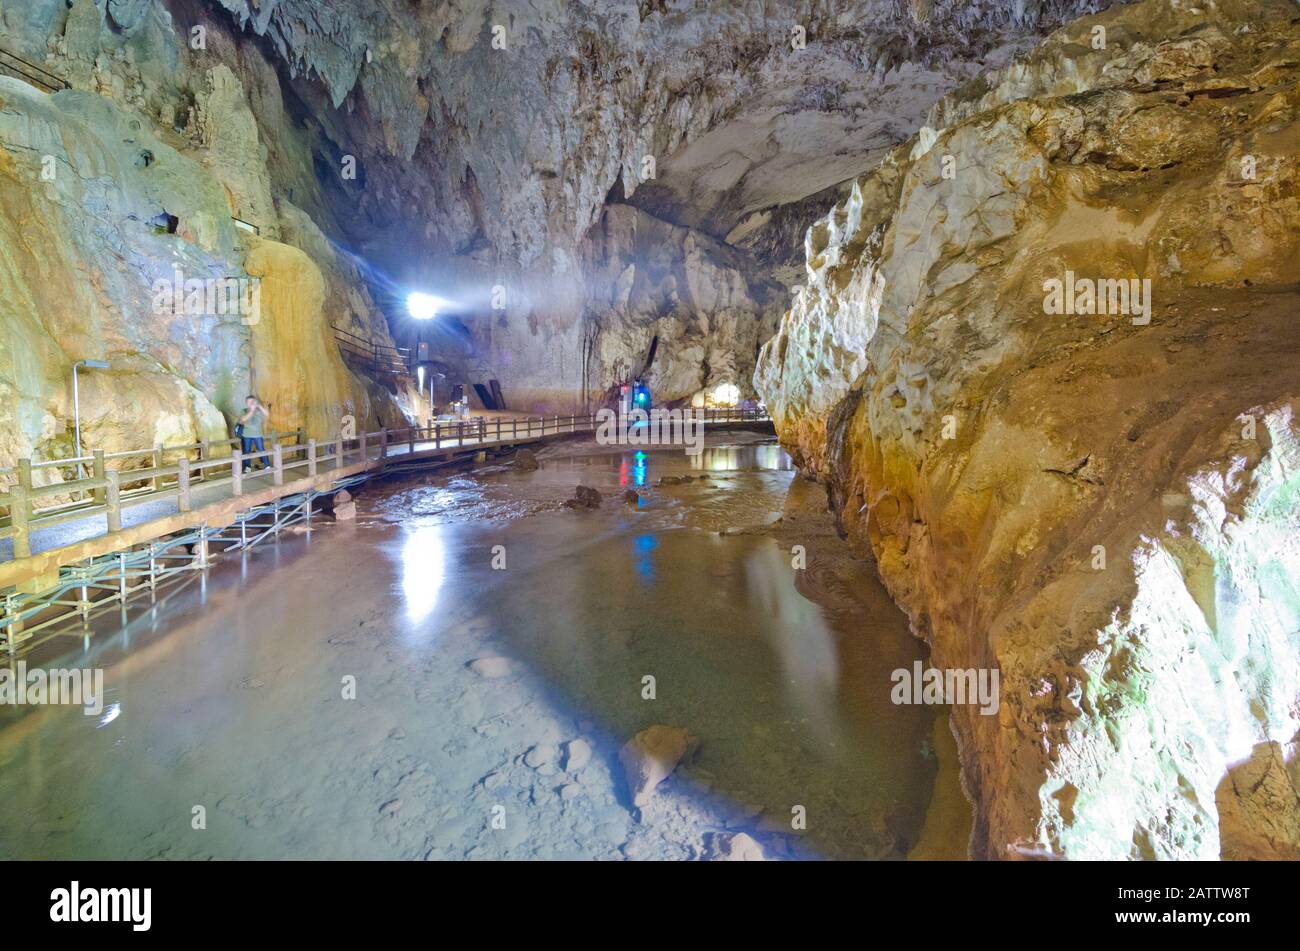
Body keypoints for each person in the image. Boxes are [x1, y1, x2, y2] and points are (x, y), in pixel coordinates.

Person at [238, 395, 269, 471]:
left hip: (258, 434)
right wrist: (251, 411)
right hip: (247, 435)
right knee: (247, 451)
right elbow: (242, 420)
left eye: (252, 401)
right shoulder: (244, 410)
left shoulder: (259, 410)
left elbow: (267, 414)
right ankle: (247, 467)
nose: (251, 403)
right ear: (246, 403)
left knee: (261, 449)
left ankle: (267, 465)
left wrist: (259, 406)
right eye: (249, 402)